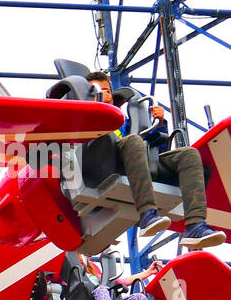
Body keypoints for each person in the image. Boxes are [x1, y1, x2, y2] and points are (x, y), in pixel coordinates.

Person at [86, 71, 224, 249]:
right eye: (98, 90)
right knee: (134, 141)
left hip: (134, 164)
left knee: (188, 155)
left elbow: (153, 149)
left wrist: (159, 124)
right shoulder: (81, 119)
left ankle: (195, 225)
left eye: (107, 91)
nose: (105, 95)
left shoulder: (124, 125)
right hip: (101, 167)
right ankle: (147, 214)